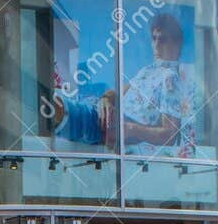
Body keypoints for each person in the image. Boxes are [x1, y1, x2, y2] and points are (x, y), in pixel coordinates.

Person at [50, 13, 197, 157]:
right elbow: (117, 92)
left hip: (115, 123)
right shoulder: (147, 71)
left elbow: (169, 135)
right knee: (64, 102)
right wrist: (106, 99)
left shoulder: (170, 78)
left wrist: (130, 129)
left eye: (163, 40)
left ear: (177, 44)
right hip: (104, 111)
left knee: (59, 108)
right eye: (154, 38)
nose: (156, 45)